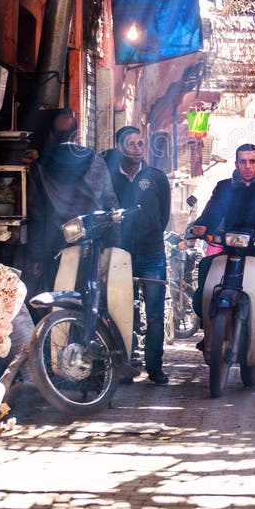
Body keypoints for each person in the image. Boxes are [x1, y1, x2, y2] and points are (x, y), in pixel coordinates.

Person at [191, 143, 255, 348]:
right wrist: (202, 226)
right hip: (232, 249)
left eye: (252, 161)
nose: (247, 166)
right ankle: (210, 326)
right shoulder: (224, 187)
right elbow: (213, 210)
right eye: (243, 161)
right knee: (205, 268)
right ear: (236, 164)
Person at [105, 126, 172, 385]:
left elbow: (163, 215)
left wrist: (151, 232)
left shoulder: (156, 177)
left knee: (155, 314)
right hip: (120, 254)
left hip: (152, 253)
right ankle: (126, 365)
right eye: (129, 143)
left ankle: (155, 368)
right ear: (119, 146)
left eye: (139, 143)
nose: (135, 148)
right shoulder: (110, 176)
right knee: (121, 311)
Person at [25, 116, 118, 296]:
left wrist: (36, 256)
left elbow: (37, 214)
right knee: (89, 298)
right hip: (91, 244)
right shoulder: (96, 161)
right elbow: (111, 205)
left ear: (51, 135)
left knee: (58, 297)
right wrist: (112, 246)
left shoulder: (41, 165)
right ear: (77, 135)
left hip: (55, 246)